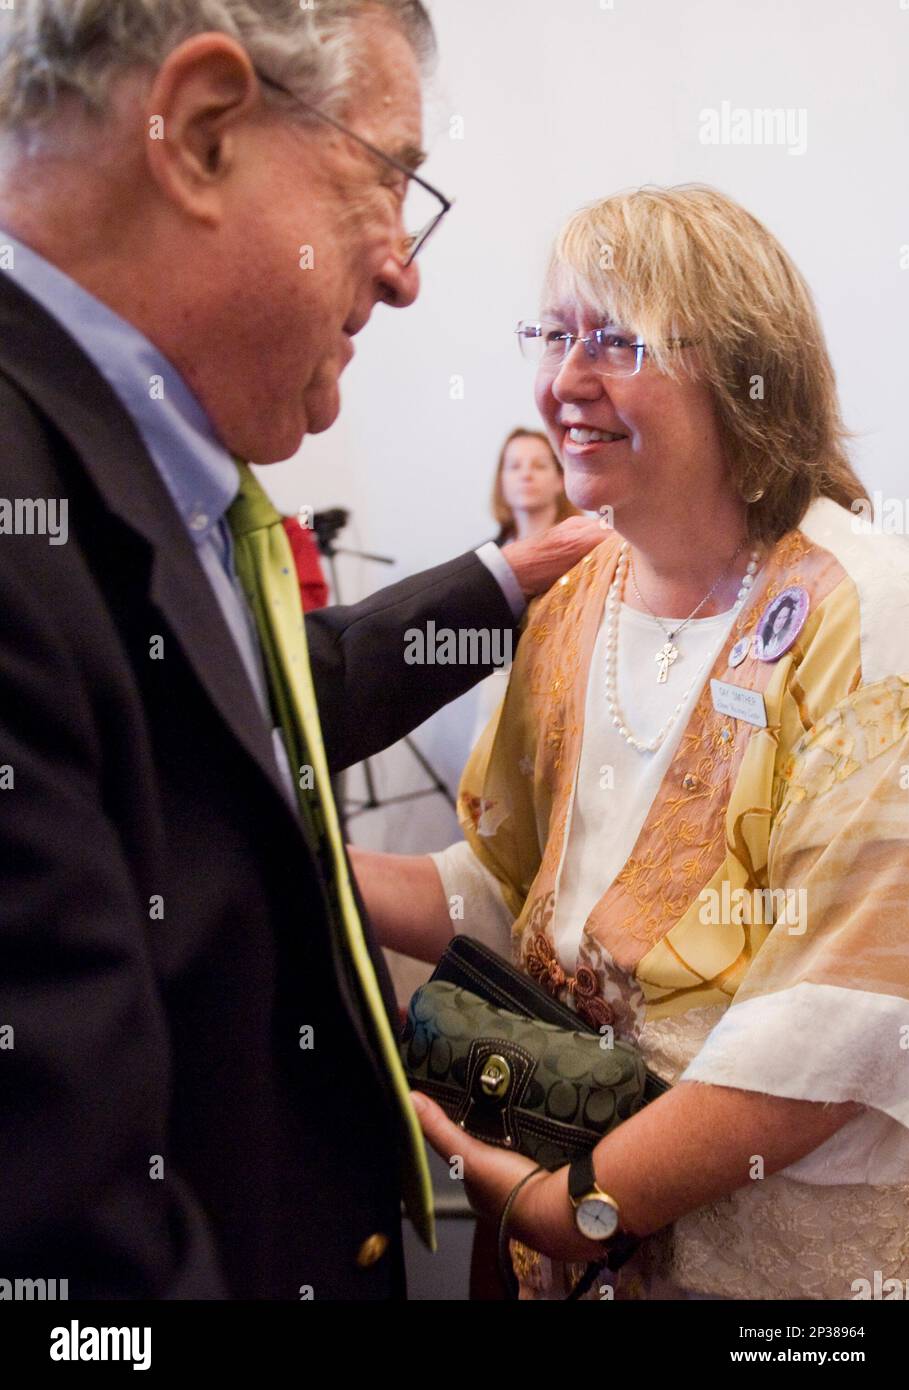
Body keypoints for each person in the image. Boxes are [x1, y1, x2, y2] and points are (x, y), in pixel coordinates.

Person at [0, 0, 604, 1301]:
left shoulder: (142, 463)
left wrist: (503, 580)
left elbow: (265, 699)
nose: (403, 271)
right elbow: (75, 1257)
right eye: (388, 181)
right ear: (204, 133)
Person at [352, 184, 909, 1300]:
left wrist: (585, 1202)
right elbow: (515, 891)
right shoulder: (575, 597)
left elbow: (846, 1022)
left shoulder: (870, 612)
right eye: (555, 336)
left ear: (747, 370)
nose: (564, 381)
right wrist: (300, 860)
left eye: (615, 340)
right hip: (553, 1230)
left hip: (766, 1271)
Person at [471, 428, 580, 744]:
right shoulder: (484, 561)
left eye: (539, 465)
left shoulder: (586, 553)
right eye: (515, 466)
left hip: (564, 697)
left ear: (560, 479)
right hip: (497, 698)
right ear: (501, 482)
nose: (526, 475)